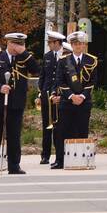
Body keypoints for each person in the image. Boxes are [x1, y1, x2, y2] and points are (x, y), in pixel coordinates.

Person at [0, 33, 42, 175]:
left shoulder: (25, 57)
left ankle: (14, 166)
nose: (19, 47)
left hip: (16, 103)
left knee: (14, 135)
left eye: (21, 44)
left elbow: (36, 70)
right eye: (16, 43)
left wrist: (24, 53)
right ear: (9, 43)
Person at [52, 31, 97, 169]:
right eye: (76, 44)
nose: (78, 46)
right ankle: (61, 160)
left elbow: (93, 81)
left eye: (81, 43)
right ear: (71, 45)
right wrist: (72, 96)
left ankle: (81, 160)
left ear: (84, 45)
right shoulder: (63, 61)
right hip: (67, 102)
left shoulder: (92, 60)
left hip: (84, 102)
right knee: (63, 131)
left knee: (82, 130)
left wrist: (82, 96)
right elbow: (60, 81)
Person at [38, 30, 65, 165]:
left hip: (60, 95)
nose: (49, 45)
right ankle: (45, 155)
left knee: (58, 126)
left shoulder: (66, 55)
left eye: (50, 42)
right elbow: (43, 76)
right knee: (46, 126)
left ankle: (59, 155)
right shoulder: (47, 56)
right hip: (47, 95)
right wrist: (41, 92)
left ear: (57, 43)